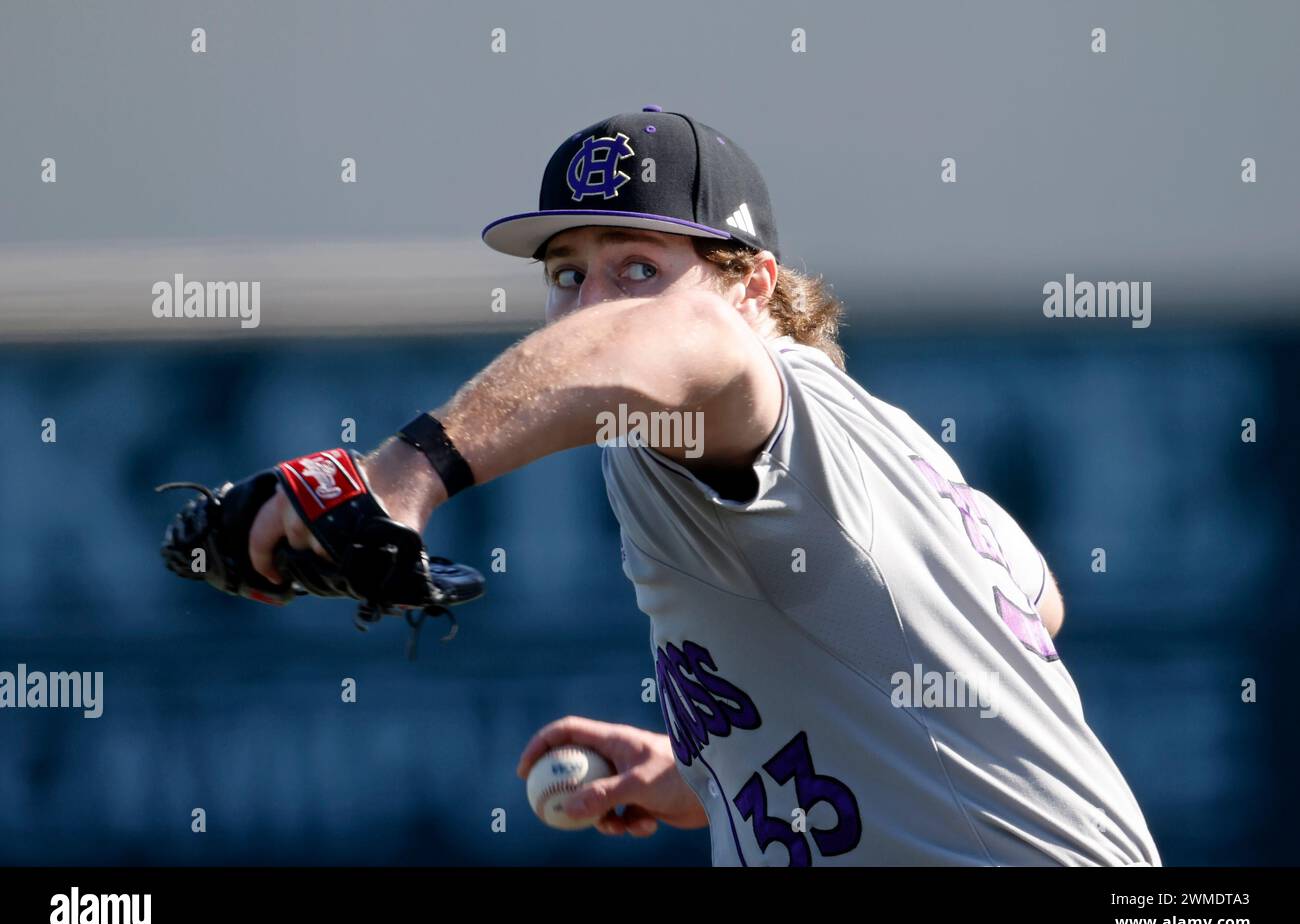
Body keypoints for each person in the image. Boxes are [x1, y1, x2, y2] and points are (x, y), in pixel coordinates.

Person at [246, 107, 1161, 866]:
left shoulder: (741, 389)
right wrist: (712, 768)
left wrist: (398, 477)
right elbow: (1036, 605)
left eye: (637, 266)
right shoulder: (875, 439)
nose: (592, 304)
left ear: (753, 286)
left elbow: (683, 343)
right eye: (568, 273)